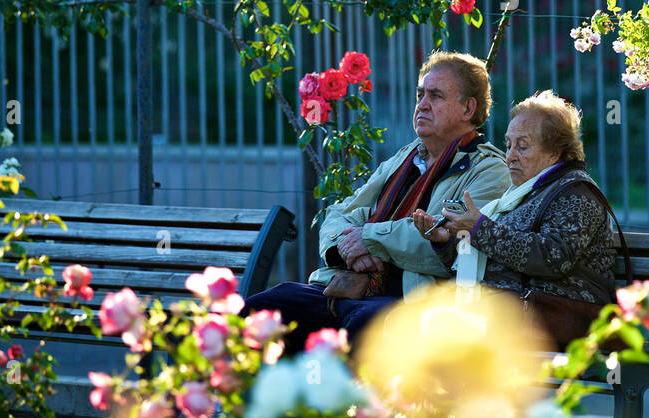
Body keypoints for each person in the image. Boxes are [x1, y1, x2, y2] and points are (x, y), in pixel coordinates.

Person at [243, 51, 510, 351]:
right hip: (347, 287)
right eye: (420, 95)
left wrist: (369, 238)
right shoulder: (405, 158)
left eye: (436, 96)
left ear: (468, 108)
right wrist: (346, 248)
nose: (422, 105)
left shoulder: (490, 170)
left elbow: (442, 240)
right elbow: (341, 213)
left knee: (364, 329)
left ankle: (347, 399)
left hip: (413, 299)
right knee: (259, 310)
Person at [411, 89, 620, 347]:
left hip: (562, 321)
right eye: (508, 145)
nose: (510, 155)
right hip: (511, 316)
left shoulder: (576, 193)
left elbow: (552, 258)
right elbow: (491, 257)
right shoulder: (520, 194)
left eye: (522, 146)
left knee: (431, 335)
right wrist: (445, 241)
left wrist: (479, 228)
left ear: (555, 152)